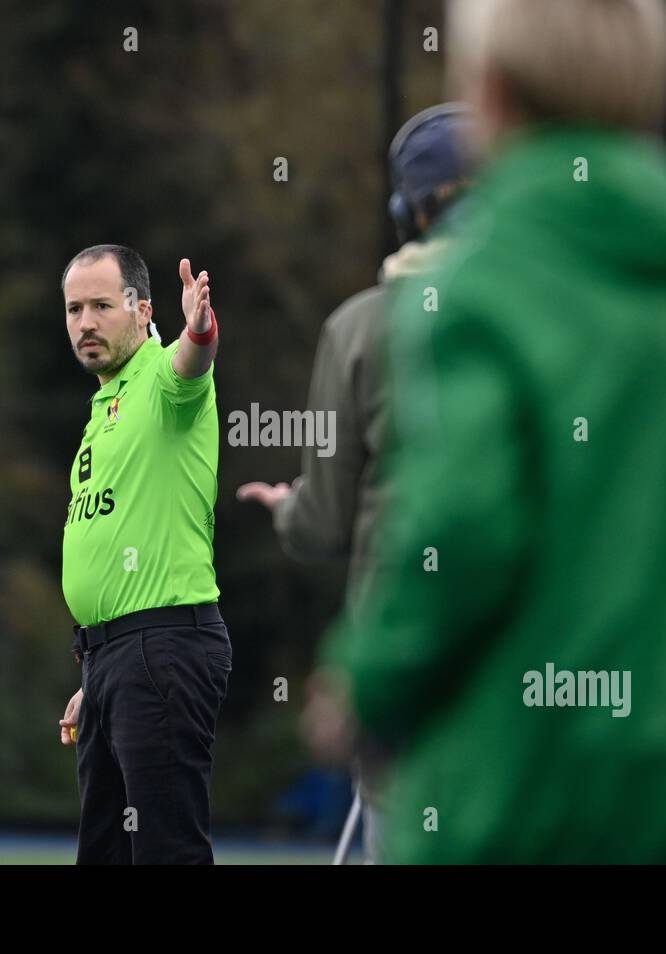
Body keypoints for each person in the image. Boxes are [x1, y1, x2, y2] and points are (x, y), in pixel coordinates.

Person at [303, 0, 666, 863]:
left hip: (534, 791)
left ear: (493, 94)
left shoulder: (483, 283)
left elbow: (459, 530)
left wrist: (365, 678)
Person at [236, 102, 474, 863]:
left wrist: (287, 510)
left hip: (405, 666)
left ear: (409, 213)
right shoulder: (570, 317)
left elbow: (324, 522)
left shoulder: (361, 328)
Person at [56, 244, 232, 865]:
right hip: (117, 658)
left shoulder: (159, 379)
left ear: (141, 310)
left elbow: (194, 359)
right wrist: (98, 666)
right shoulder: (104, 405)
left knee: (167, 853)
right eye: (75, 308)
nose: (86, 322)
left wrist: (199, 327)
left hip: (161, 648)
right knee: (104, 854)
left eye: (102, 305)